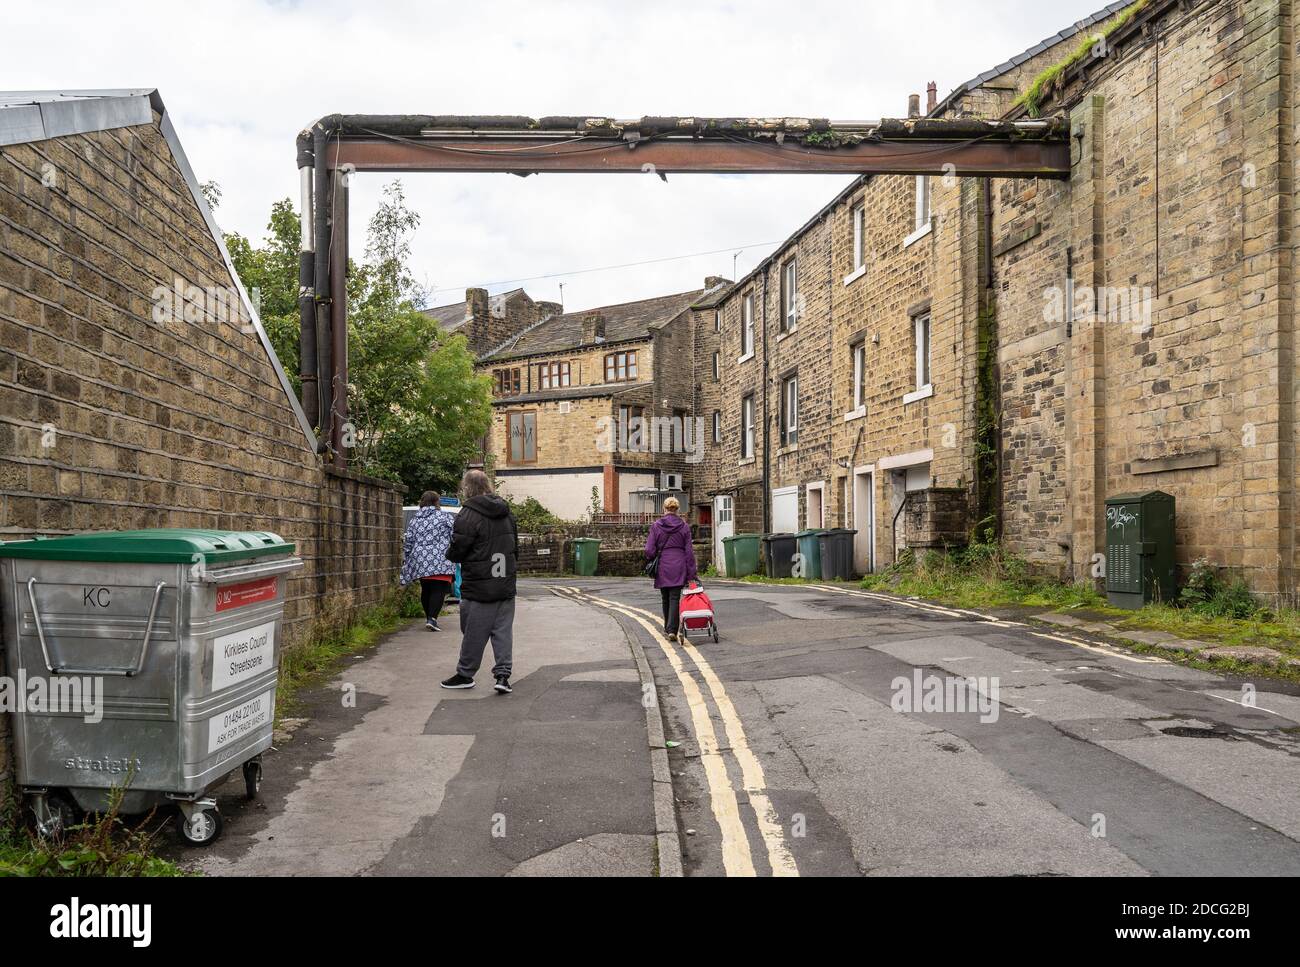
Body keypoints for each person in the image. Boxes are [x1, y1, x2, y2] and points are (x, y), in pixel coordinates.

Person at [441, 469, 519, 694]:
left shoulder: (467, 514)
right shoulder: (506, 512)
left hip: (479, 583)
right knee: (502, 631)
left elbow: (458, 549)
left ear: (467, 488)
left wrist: (451, 554)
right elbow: (515, 547)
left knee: (473, 630)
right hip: (504, 580)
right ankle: (503, 676)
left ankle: (465, 674)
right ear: (488, 486)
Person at [400, 491, 455, 631]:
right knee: (438, 589)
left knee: (426, 588)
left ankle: (429, 618)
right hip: (441, 558)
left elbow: (409, 542)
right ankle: (432, 618)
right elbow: (454, 536)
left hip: (420, 559)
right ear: (437, 502)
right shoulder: (444, 517)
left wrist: (408, 559)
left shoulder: (414, 520)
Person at [645, 496, 698, 638]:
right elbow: (689, 552)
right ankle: (672, 629)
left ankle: (668, 627)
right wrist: (691, 574)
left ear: (664, 508)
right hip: (679, 563)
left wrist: (652, 557)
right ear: (677, 510)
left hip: (663, 564)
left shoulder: (656, 526)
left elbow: (649, 550)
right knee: (675, 597)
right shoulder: (684, 526)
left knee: (665, 597)